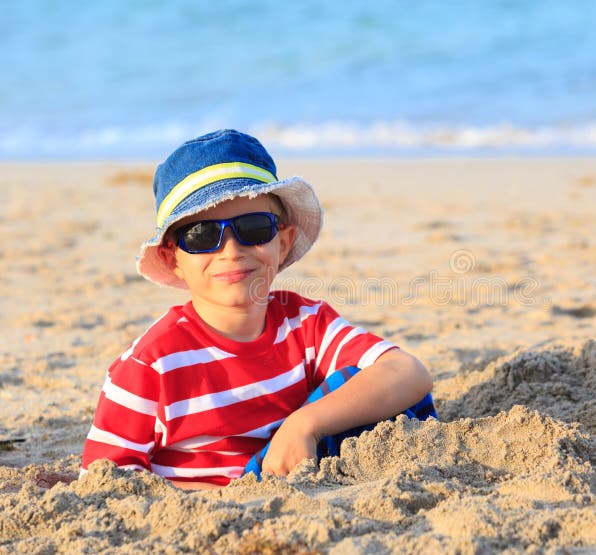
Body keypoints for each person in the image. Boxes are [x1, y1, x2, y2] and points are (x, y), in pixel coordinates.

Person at [81, 129, 435, 489]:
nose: (231, 250)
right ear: (172, 259)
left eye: (253, 228)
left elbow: (408, 372)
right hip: (220, 504)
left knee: (391, 397)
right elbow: (104, 478)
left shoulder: (306, 325)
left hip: (304, 477)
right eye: (202, 235)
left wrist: (303, 424)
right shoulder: (152, 363)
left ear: (282, 242)